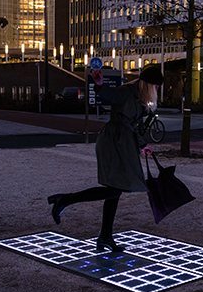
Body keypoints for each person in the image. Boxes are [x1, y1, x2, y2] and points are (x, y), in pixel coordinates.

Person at [46, 64, 163, 252]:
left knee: (114, 190)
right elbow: (109, 95)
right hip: (114, 142)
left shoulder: (140, 97)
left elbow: (132, 125)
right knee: (115, 189)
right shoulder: (128, 91)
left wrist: (142, 144)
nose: (157, 90)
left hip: (123, 142)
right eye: (156, 86)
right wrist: (99, 84)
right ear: (148, 85)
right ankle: (65, 200)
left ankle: (105, 237)